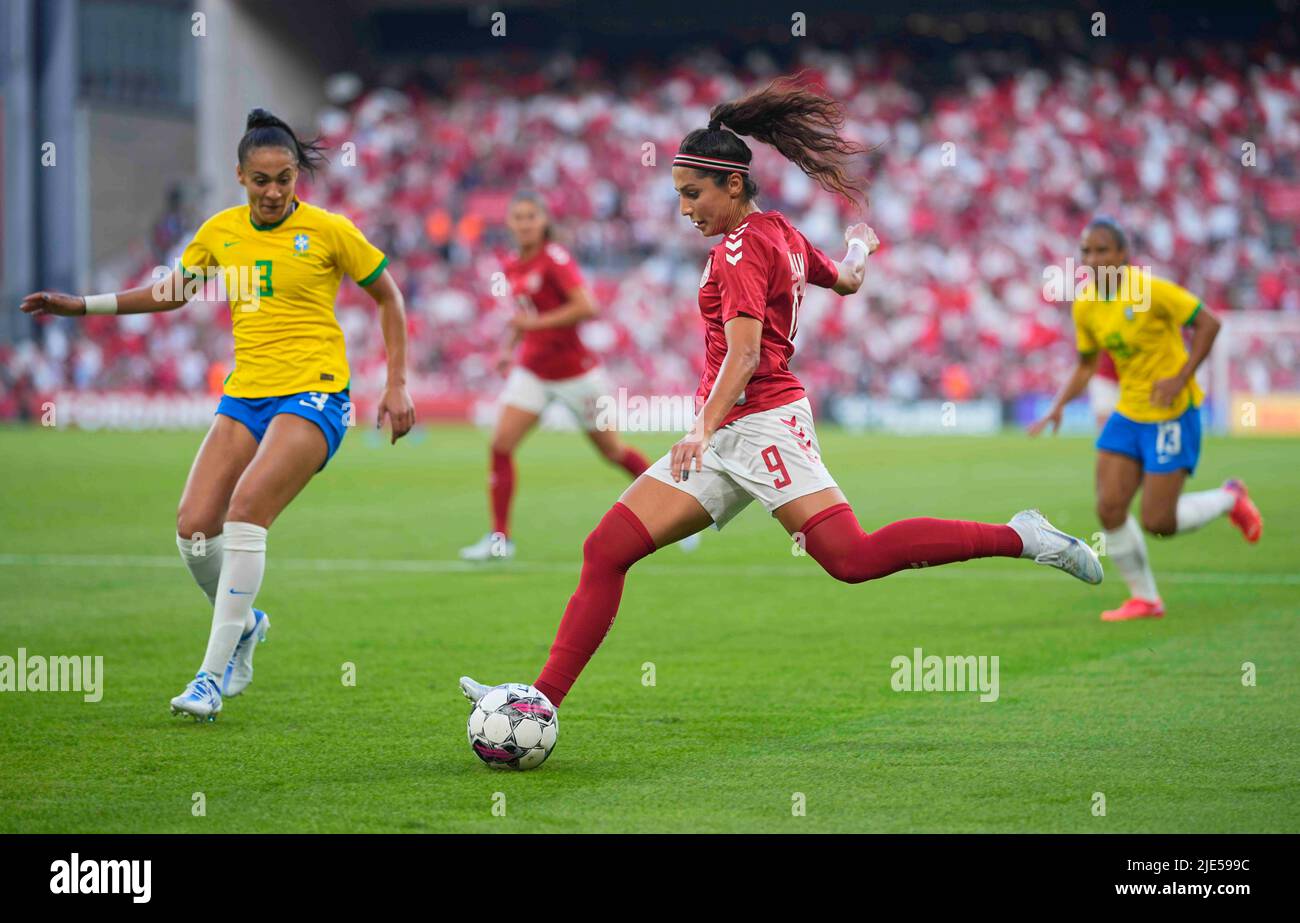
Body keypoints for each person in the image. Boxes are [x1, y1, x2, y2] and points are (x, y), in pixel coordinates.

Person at [460, 76, 1102, 716]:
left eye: (692, 194)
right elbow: (847, 281)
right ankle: (538, 702)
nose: (685, 209)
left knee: (852, 559)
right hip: (733, 427)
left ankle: (1023, 536)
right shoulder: (781, 232)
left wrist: (699, 430)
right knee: (606, 550)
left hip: (761, 424)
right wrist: (857, 245)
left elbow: (743, 356)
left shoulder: (742, 250)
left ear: (732, 184)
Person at [20, 108, 416, 719]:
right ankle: (246, 625)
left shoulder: (331, 231)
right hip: (245, 395)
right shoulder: (221, 231)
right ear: (239, 176)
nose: (275, 191)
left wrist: (396, 384)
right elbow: (171, 293)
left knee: (246, 511)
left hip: (316, 393)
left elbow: (388, 295)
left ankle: (208, 677)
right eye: (262, 180)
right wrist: (82, 306)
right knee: (193, 529)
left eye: (285, 178)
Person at [1029, 217, 1262, 621]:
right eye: (1086, 251)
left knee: (1159, 521)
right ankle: (1146, 599)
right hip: (1130, 412)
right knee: (1110, 507)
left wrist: (1182, 376)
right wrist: (1059, 403)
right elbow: (1087, 365)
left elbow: (1209, 323)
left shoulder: (1150, 290)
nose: (1093, 258)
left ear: (1122, 255)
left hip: (1172, 413)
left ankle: (1230, 498)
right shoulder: (1085, 302)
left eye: (1102, 250)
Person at [459, 191, 654, 561]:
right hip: (533, 371)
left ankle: (677, 504)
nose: (525, 223)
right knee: (500, 445)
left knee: (613, 451)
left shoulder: (556, 259)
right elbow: (523, 314)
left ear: (544, 221)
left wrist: (533, 324)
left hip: (576, 374)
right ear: (510, 223)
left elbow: (587, 306)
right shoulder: (514, 265)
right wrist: (507, 349)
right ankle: (501, 540)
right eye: (519, 217)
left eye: (532, 216)